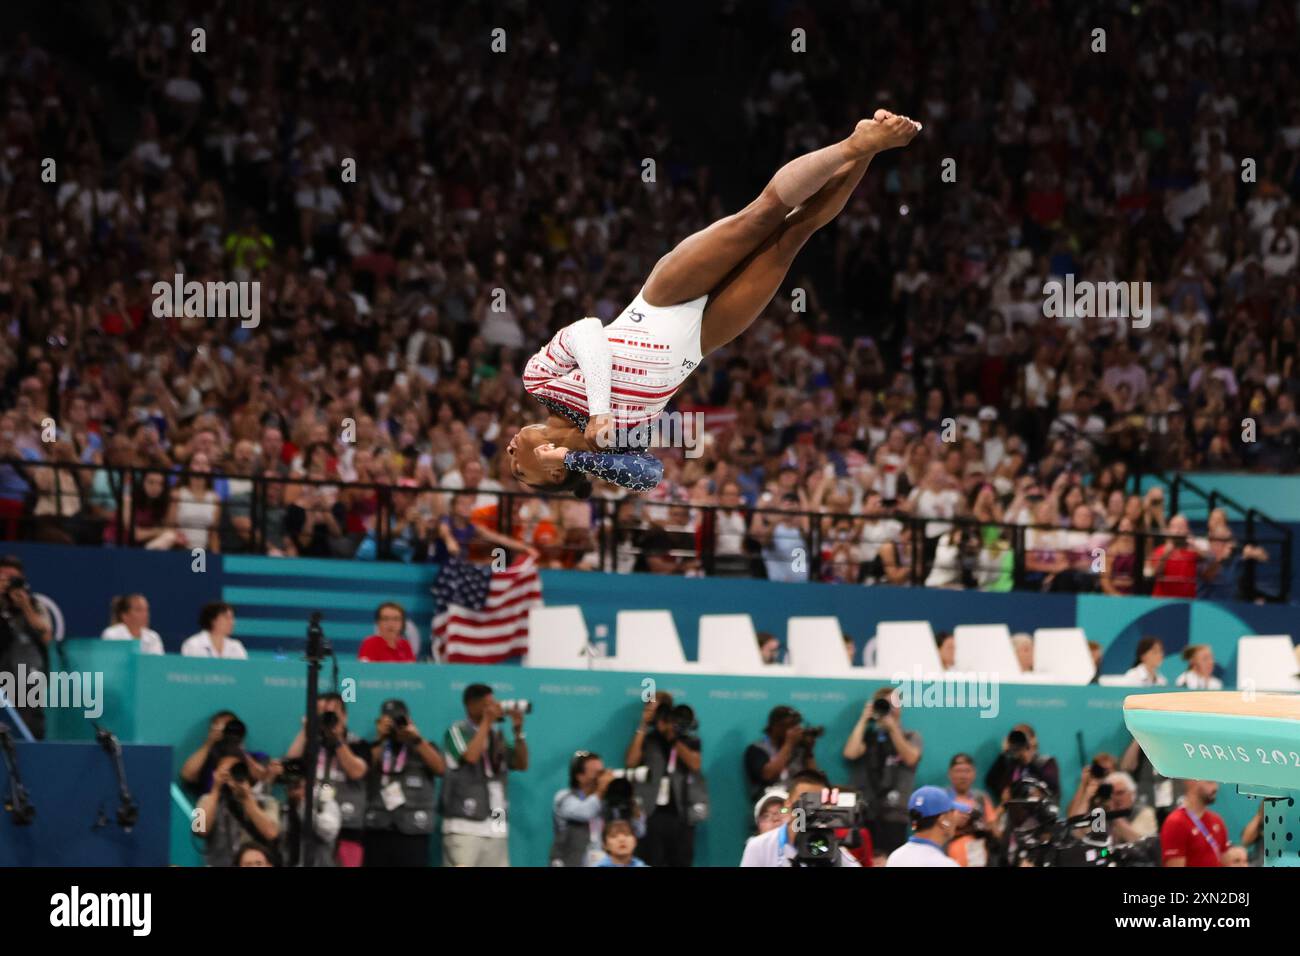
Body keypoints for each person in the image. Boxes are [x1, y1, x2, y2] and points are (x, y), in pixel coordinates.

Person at [507, 111, 923, 495]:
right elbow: (651, 476)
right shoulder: (607, 453)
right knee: (791, 237)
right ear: (555, 474)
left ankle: (850, 145)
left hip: (661, 301)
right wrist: (577, 456)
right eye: (519, 470)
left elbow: (588, 332)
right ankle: (870, 147)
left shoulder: (538, 383)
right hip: (701, 341)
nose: (510, 453)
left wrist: (599, 411)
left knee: (762, 216)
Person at [441, 683, 528, 867]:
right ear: (471, 705)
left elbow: (521, 764)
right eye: (487, 704)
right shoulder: (457, 731)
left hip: (497, 819)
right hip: (465, 823)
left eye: (493, 703)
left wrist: (518, 732)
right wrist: (486, 723)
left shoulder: (497, 736)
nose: (493, 707)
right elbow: (471, 757)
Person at [283, 692, 370, 867]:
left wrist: (336, 739)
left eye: (332, 714)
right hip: (308, 828)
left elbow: (356, 772)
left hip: (347, 830)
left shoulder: (358, 744)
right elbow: (290, 764)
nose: (326, 718)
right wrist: (306, 731)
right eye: (321, 713)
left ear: (344, 716)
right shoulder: (309, 744)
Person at [364, 698, 445, 866]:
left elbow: (440, 769)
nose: (395, 726)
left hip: (413, 830)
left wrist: (416, 739)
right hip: (377, 828)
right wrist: (381, 739)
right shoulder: (373, 748)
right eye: (390, 721)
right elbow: (361, 770)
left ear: (409, 720)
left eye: (399, 720)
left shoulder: (424, 746)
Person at [626, 699, 707, 867]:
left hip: (682, 813)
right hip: (652, 814)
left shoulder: (688, 740)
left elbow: (694, 764)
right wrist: (643, 725)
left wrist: (673, 738)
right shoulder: (648, 740)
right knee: (652, 861)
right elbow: (631, 762)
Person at [841, 687, 922, 853]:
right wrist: (864, 719)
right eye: (887, 704)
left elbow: (910, 758)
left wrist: (893, 729)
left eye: (895, 704)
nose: (891, 709)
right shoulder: (868, 736)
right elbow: (850, 753)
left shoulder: (911, 736)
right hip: (864, 812)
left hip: (895, 814)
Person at [739, 770, 861, 867]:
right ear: (788, 804)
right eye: (805, 802)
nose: (810, 811)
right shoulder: (759, 847)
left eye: (817, 804)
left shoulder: (834, 854)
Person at [194, 739, 281, 867]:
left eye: (236, 769)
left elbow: (271, 833)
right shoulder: (206, 799)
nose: (231, 775)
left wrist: (247, 799)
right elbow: (199, 829)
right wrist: (215, 789)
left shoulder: (267, 801)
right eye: (225, 771)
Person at [0, 555, 53, 737]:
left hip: (28, 677)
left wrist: (25, 606)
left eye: (14, 579)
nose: (9, 583)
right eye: (4, 578)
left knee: (30, 725)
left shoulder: (34, 604)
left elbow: (45, 634)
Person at [743, 705, 821, 803]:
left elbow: (815, 780)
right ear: (775, 727)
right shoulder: (756, 749)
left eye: (796, 724)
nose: (794, 729)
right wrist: (789, 744)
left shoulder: (799, 749)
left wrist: (809, 751)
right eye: (789, 725)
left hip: (797, 803)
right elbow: (768, 775)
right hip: (770, 804)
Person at [550, 750, 615, 867]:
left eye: (603, 772)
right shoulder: (564, 797)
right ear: (580, 777)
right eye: (597, 773)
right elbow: (585, 813)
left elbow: (639, 830)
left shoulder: (605, 801)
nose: (602, 777)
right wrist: (601, 791)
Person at [273, 758, 341, 868]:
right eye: (288, 783)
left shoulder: (322, 800)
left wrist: (304, 803)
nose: (291, 787)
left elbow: (328, 831)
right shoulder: (283, 804)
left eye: (296, 782)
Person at [885, 786, 972, 867]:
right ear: (943, 820)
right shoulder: (944, 864)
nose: (955, 818)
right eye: (952, 811)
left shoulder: (895, 856)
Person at [944, 753, 999, 867]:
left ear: (974, 774)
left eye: (967, 771)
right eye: (958, 771)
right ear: (950, 773)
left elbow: (994, 830)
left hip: (980, 859)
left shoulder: (981, 799)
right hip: (947, 859)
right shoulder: (942, 798)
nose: (963, 776)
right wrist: (953, 822)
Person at [984, 724, 1060, 804]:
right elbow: (991, 782)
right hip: (1014, 811)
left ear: (1033, 740)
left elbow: (1052, 793)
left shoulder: (1046, 762)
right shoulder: (1011, 764)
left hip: (1037, 812)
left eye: (1022, 737)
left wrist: (1029, 761)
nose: (1019, 742)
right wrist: (1004, 753)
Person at [1161, 780, 1229, 867]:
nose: (1215, 787)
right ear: (1191, 782)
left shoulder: (1217, 821)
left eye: (1216, 783)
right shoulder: (1176, 823)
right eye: (1210, 782)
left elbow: (1224, 861)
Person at [180, 601, 248, 659]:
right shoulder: (193, 645)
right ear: (213, 620)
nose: (232, 622)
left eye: (232, 618)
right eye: (226, 618)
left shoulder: (236, 646)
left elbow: (245, 671)